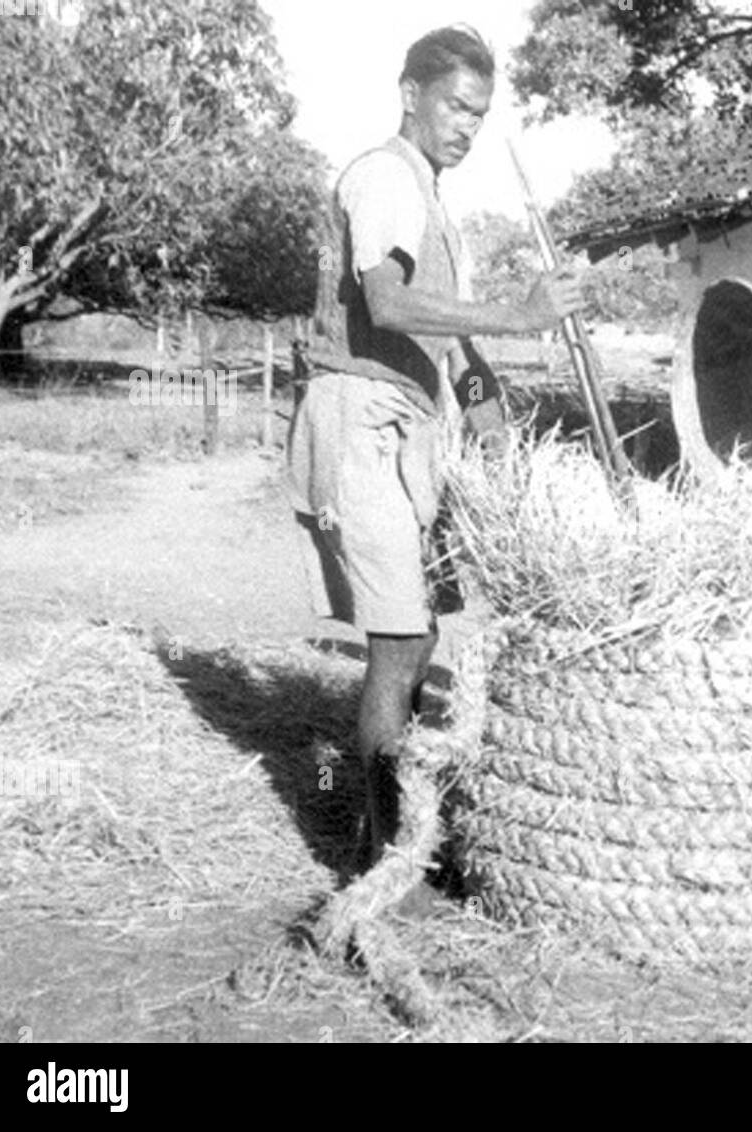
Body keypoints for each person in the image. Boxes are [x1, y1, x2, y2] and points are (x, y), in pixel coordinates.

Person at [287, 25, 584, 870]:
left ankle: (398, 825)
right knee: (399, 642)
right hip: (360, 421)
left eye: (480, 115)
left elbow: (449, 342)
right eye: (455, 105)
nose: (466, 126)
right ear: (409, 93)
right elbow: (387, 304)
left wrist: (493, 420)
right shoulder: (383, 176)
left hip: (407, 423)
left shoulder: (431, 197)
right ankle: (383, 856)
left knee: (418, 638)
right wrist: (522, 316)